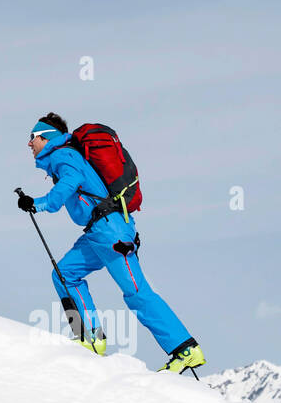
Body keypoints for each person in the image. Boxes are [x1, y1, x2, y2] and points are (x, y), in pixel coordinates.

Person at [17, 113, 205, 374]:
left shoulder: (62, 154)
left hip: (110, 231)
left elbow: (71, 181)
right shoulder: (65, 154)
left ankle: (185, 349)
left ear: (47, 137)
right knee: (64, 274)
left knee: (136, 292)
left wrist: (39, 203)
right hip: (99, 232)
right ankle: (91, 337)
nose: (29, 143)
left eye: (33, 137)